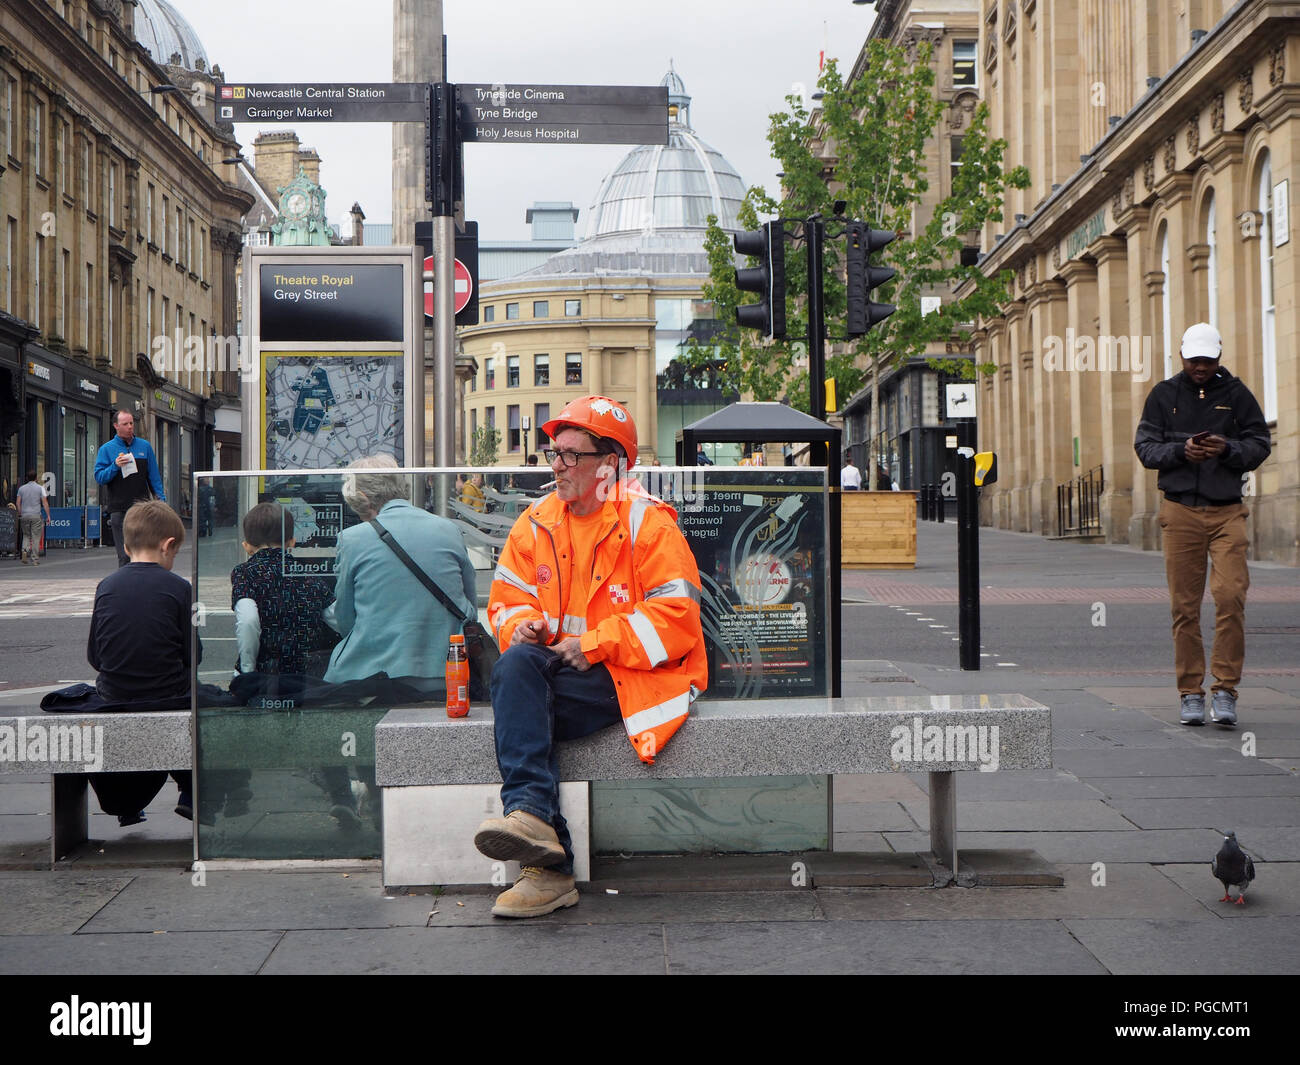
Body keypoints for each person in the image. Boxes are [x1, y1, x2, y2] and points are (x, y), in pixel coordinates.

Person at [475, 395, 708, 918]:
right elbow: (505, 602)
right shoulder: (536, 522)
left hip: (634, 675)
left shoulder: (649, 524)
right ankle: (535, 831)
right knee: (516, 669)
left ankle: (547, 865)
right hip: (560, 671)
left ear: (611, 465)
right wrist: (522, 627)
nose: (556, 465)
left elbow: (677, 621)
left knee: (523, 704)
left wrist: (594, 644)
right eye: (553, 453)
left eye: (570, 455)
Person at [1135, 322, 1271, 728]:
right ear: (1181, 356)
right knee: (1184, 607)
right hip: (1180, 512)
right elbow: (1145, 448)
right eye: (1194, 360)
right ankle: (1190, 693)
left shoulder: (1236, 394)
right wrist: (1183, 452)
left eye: (1208, 360)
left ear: (1218, 357)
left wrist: (1228, 449)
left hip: (1227, 510)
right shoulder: (1163, 395)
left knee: (1230, 597)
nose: (1200, 367)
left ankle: (1226, 689)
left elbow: (1260, 442)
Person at [323, 455, 476, 693]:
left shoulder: (351, 539)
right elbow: (469, 606)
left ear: (363, 499)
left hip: (373, 678)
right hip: (446, 673)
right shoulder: (449, 530)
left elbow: (345, 619)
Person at [85, 500, 196, 825]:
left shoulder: (106, 586)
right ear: (168, 545)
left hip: (114, 695)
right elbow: (194, 655)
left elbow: (95, 656)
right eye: (174, 555)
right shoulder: (179, 588)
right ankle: (190, 790)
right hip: (167, 695)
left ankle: (128, 806)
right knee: (193, 700)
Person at [231, 502, 338, 676]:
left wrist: (247, 670)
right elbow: (337, 619)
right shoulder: (307, 574)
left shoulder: (245, 573)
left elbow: (248, 621)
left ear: (247, 546)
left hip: (265, 673)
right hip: (307, 675)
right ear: (292, 541)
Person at [93, 410, 166, 567]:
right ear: (116, 426)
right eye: (125, 424)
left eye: (132, 423)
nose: (130, 427)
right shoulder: (106, 449)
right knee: (124, 556)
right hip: (119, 509)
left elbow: (154, 476)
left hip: (141, 508)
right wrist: (115, 466)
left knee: (144, 552)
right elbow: (99, 477)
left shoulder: (144, 447)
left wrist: (161, 499)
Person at [16, 469, 51, 564]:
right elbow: (45, 503)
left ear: (27, 478)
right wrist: (48, 515)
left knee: (26, 535)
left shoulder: (21, 489)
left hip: (25, 515)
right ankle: (34, 559)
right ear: (36, 478)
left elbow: (18, 503)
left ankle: (24, 550)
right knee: (35, 537)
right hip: (36, 515)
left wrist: (20, 513)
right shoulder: (40, 488)